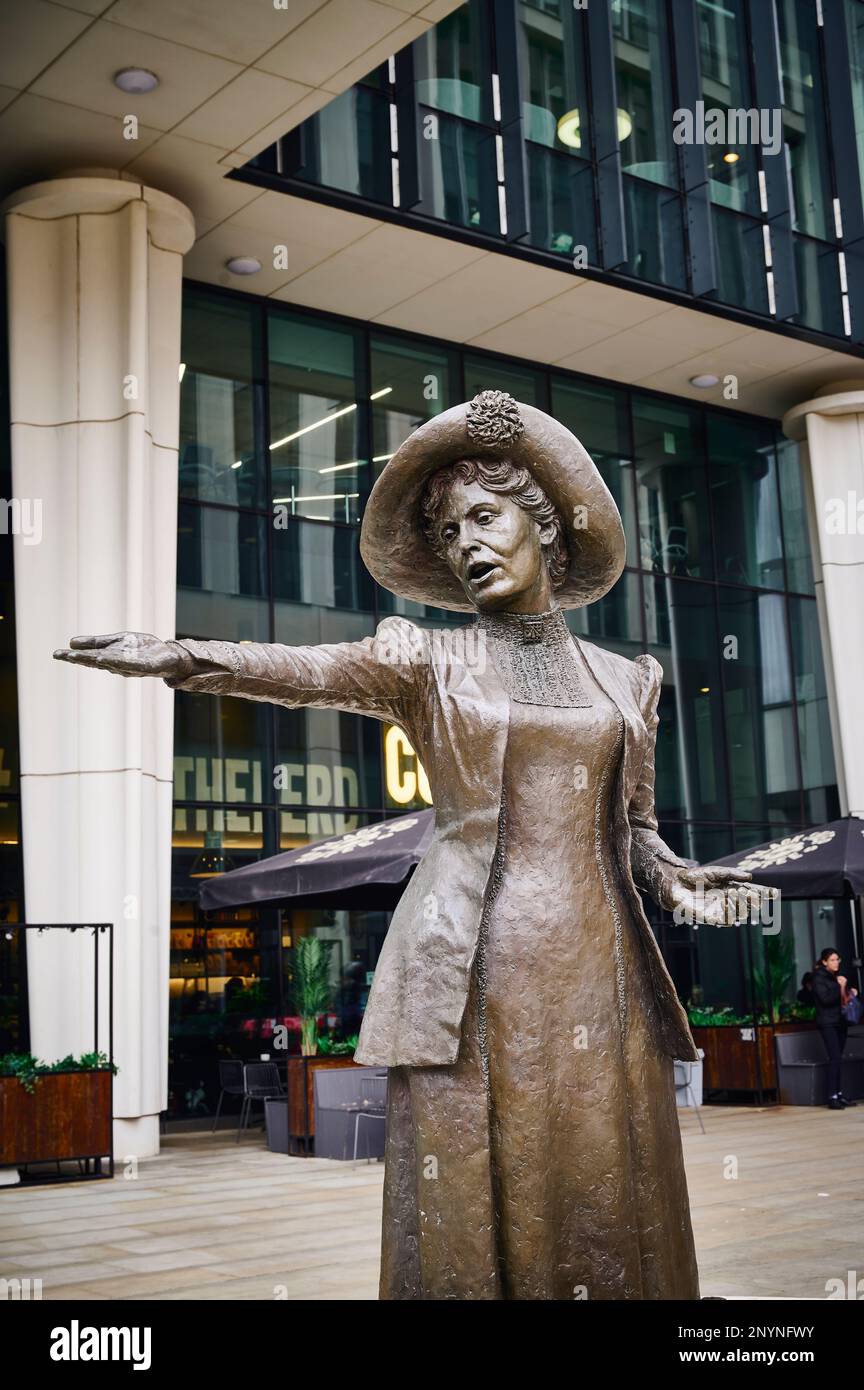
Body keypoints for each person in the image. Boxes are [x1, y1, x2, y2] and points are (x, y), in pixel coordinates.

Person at [54, 389, 775, 1301]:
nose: (467, 544)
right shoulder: (428, 661)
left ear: (545, 528)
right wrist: (181, 656)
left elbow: (634, 831)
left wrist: (681, 882)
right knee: (476, 1179)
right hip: (472, 961)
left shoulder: (629, 679)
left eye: (485, 518)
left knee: (603, 1167)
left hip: (602, 967)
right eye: (448, 534)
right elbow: (308, 671)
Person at [812, 948, 858, 1109]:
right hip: (827, 1022)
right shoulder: (818, 977)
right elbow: (825, 1000)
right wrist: (840, 987)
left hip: (840, 1021)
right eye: (832, 960)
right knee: (835, 1058)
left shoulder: (835, 976)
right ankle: (831, 1096)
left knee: (838, 1059)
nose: (836, 962)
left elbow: (842, 1001)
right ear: (824, 962)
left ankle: (838, 1094)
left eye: (837, 959)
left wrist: (849, 992)